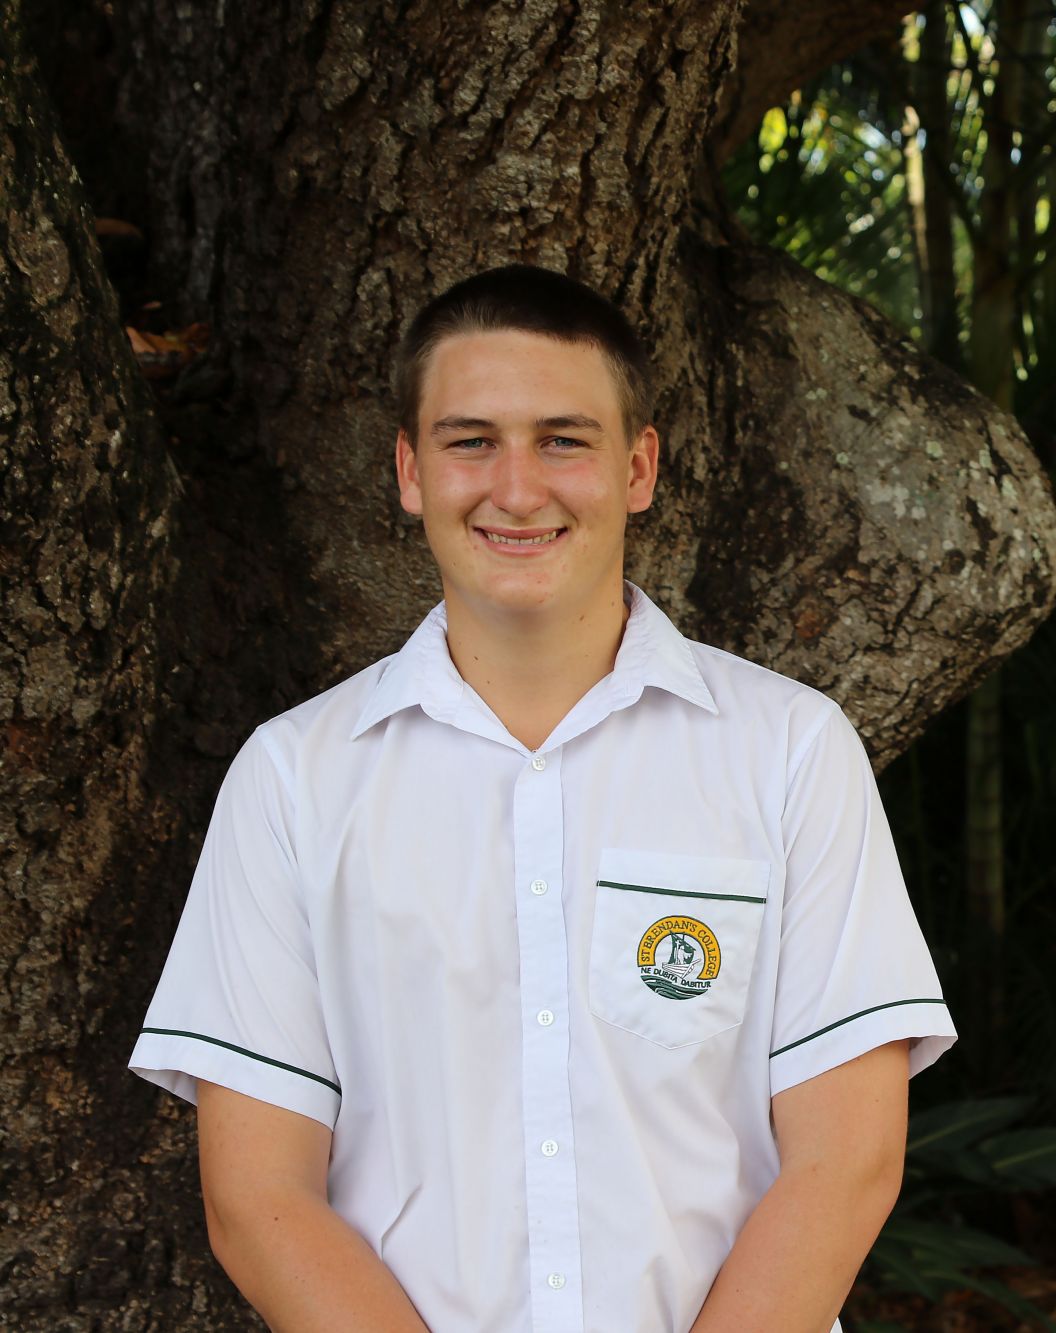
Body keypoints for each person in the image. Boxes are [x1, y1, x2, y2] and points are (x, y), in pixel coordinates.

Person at [128, 264, 957, 1332]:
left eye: (562, 438)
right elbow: (258, 1197)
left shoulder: (789, 750)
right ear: (410, 470)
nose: (516, 487)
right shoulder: (295, 777)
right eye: (470, 440)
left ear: (638, 466)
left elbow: (846, 1160)